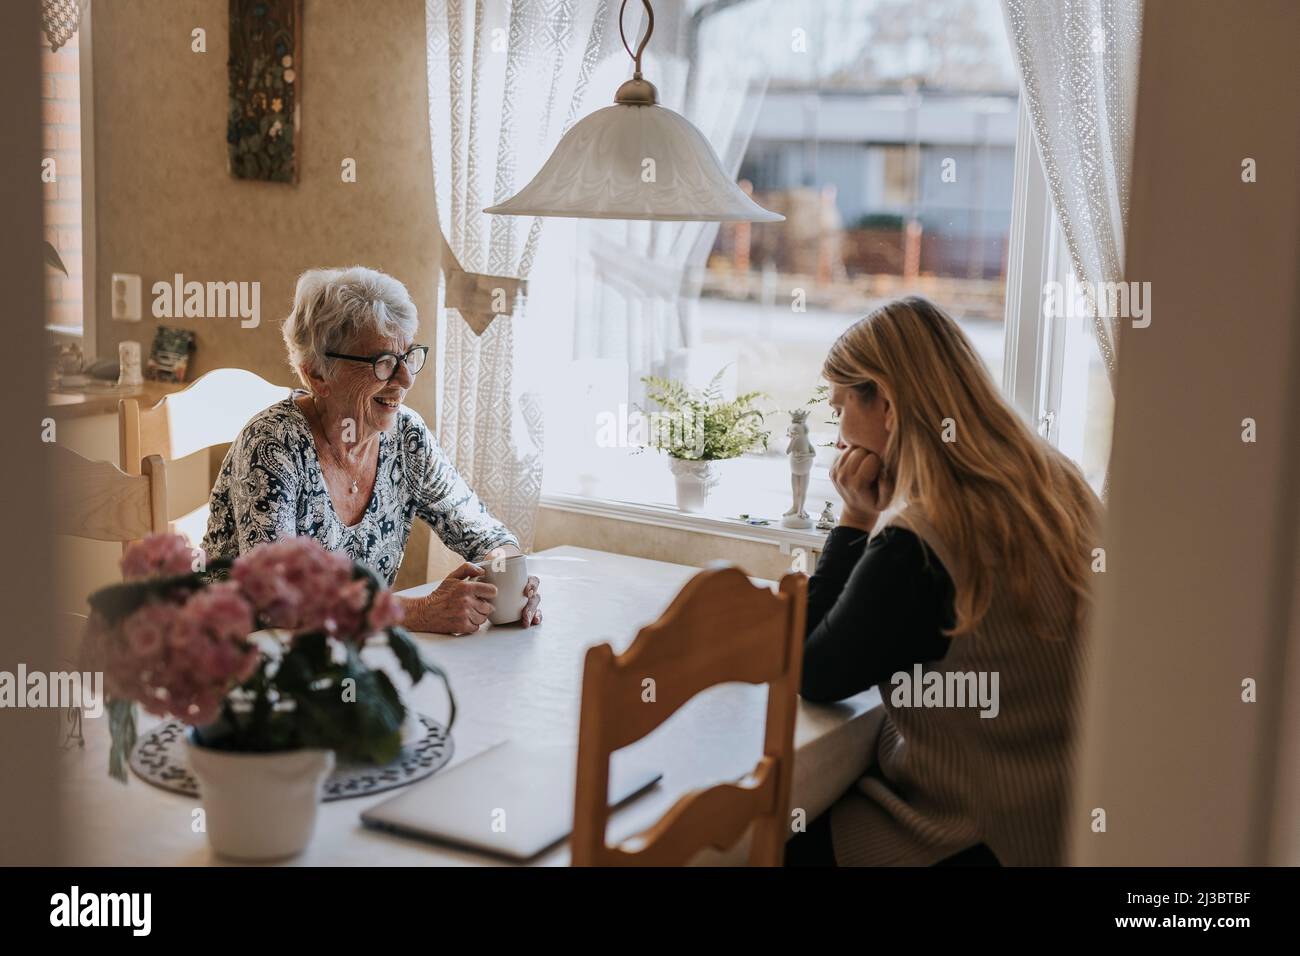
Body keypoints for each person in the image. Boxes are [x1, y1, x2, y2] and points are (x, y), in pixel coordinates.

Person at [786, 296, 1101, 866]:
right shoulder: (1057, 482)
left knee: (762, 839)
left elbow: (810, 670)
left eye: (839, 410)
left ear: (886, 402)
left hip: (973, 836)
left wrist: (854, 518)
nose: (838, 439)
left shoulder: (925, 538)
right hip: (1066, 820)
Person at [202, 266, 541, 635]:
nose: (405, 379)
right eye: (383, 363)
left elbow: (486, 535)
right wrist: (418, 612)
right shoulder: (273, 443)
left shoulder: (406, 437)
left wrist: (511, 580)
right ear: (317, 374)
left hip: (345, 652)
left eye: (408, 356)